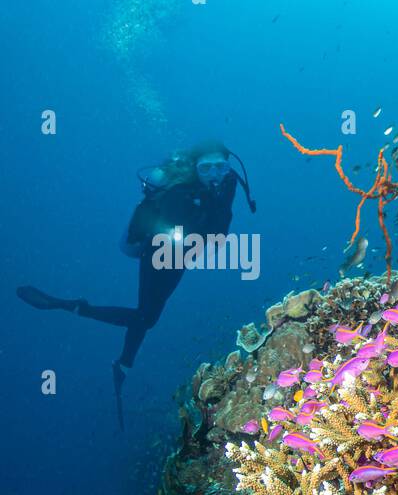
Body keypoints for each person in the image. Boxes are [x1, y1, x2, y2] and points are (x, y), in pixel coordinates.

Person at [17, 140, 255, 428]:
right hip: (158, 254)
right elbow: (169, 227)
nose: (214, 173)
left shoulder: (227, 184)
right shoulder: (180, 192)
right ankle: (74, 308)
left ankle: (124, 363)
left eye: (220, 166)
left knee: (147, 316)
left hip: (182, 257)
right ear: (195, 169)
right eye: (206, 168)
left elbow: (218, 227)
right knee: (146, 316)